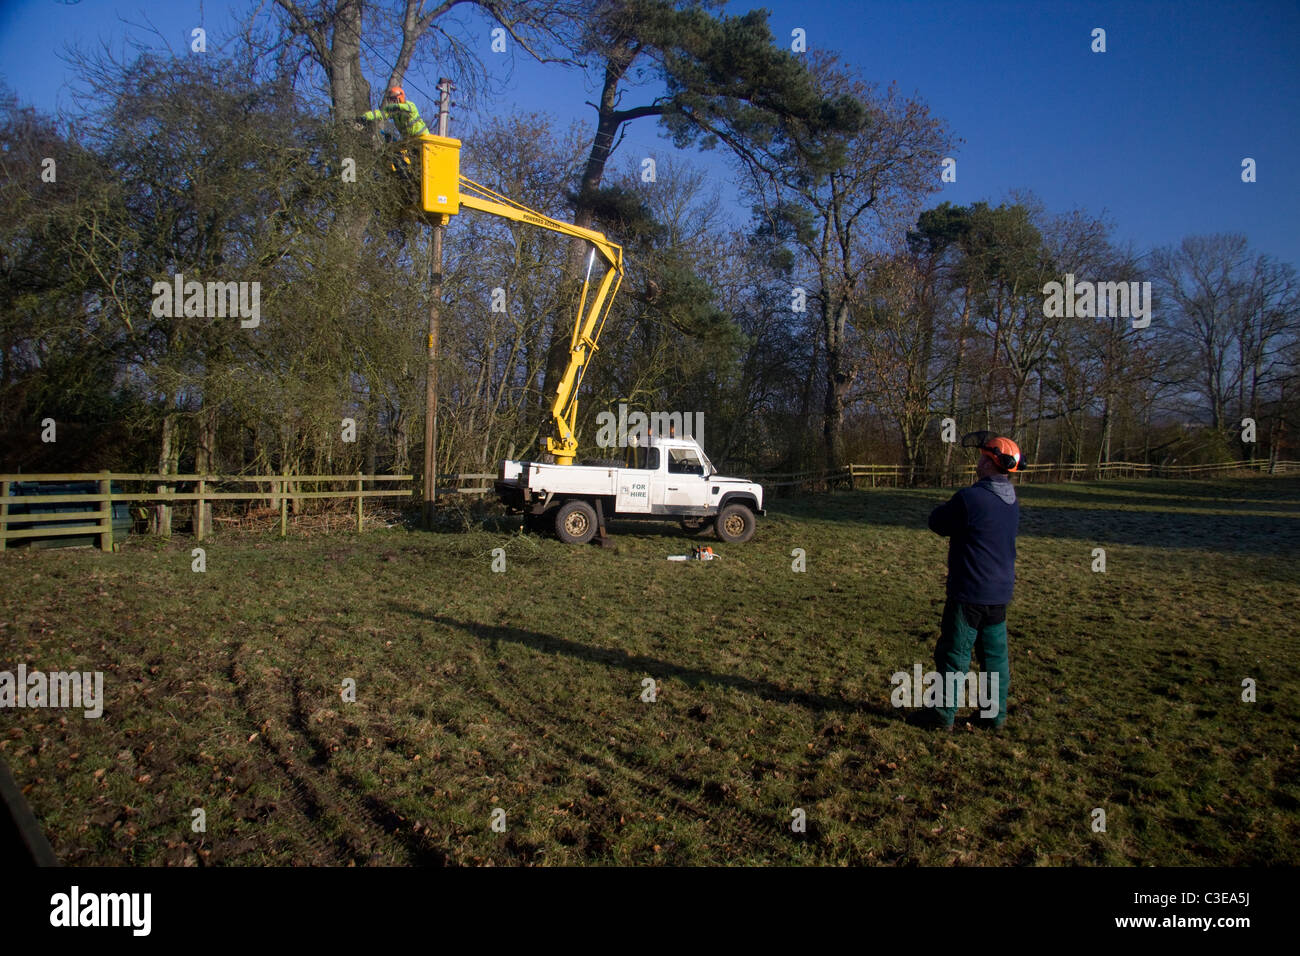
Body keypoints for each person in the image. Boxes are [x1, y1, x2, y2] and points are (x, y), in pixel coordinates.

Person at [922, 432, 1022, 731]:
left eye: (983, 457)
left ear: (991, 463)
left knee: (954, 652)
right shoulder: (1012, 500)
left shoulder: (971, 498)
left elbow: (937, 522)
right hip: (1000, 592)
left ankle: (941, 714)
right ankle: (994, 715)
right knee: (994, 658)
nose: (978, 462)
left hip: (969, 591)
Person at [359, 86, 429, 141]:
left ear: (400, 98)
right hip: (409, 140)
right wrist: (366, 117)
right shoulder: (394, 112)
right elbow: (380, 114)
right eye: (390, 100)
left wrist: (395, 106)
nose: (391, 102)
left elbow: (406, 108)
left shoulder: (410, 106)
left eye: (393, 99)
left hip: (423, 138)